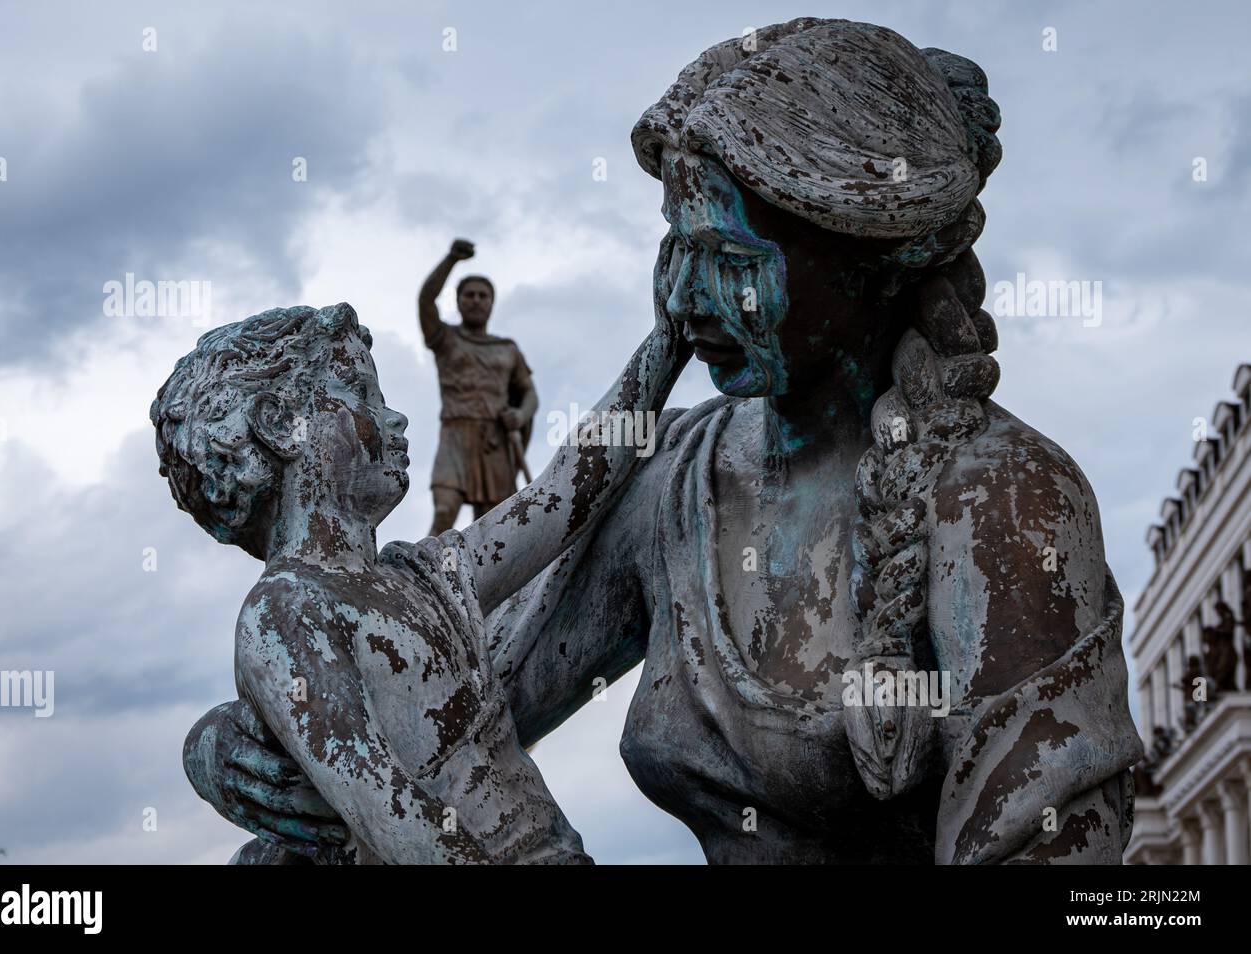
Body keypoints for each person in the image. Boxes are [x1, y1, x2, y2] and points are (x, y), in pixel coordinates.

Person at [183, 18, 1141, 864]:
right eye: (674, 251)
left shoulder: (1007, 501)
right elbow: (451, 695)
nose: (686, 301)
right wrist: (243, 740)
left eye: (730, 262)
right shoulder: (674, 481)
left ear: (873, 260)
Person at [152, 301, 688, 863]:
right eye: (362, 394)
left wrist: (667, 343)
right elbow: (390, 814)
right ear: (280, 424)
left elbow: (563, 492)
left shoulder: (421, 574)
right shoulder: (285, 613)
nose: (395, 419)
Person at [419, 239, 537, 535]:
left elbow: (529, 394)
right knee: (445, 511)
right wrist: (451, 260)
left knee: (493, 528)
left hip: (494, 443)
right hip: (456, 437)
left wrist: (520, 416)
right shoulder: (445, 338)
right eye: (469, 295)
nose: (475, 300)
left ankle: (490, 582)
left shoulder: (507, 349)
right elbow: (425, 301)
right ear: (457, 301)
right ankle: (422, 576)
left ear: (491, 303)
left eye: (483, 296)